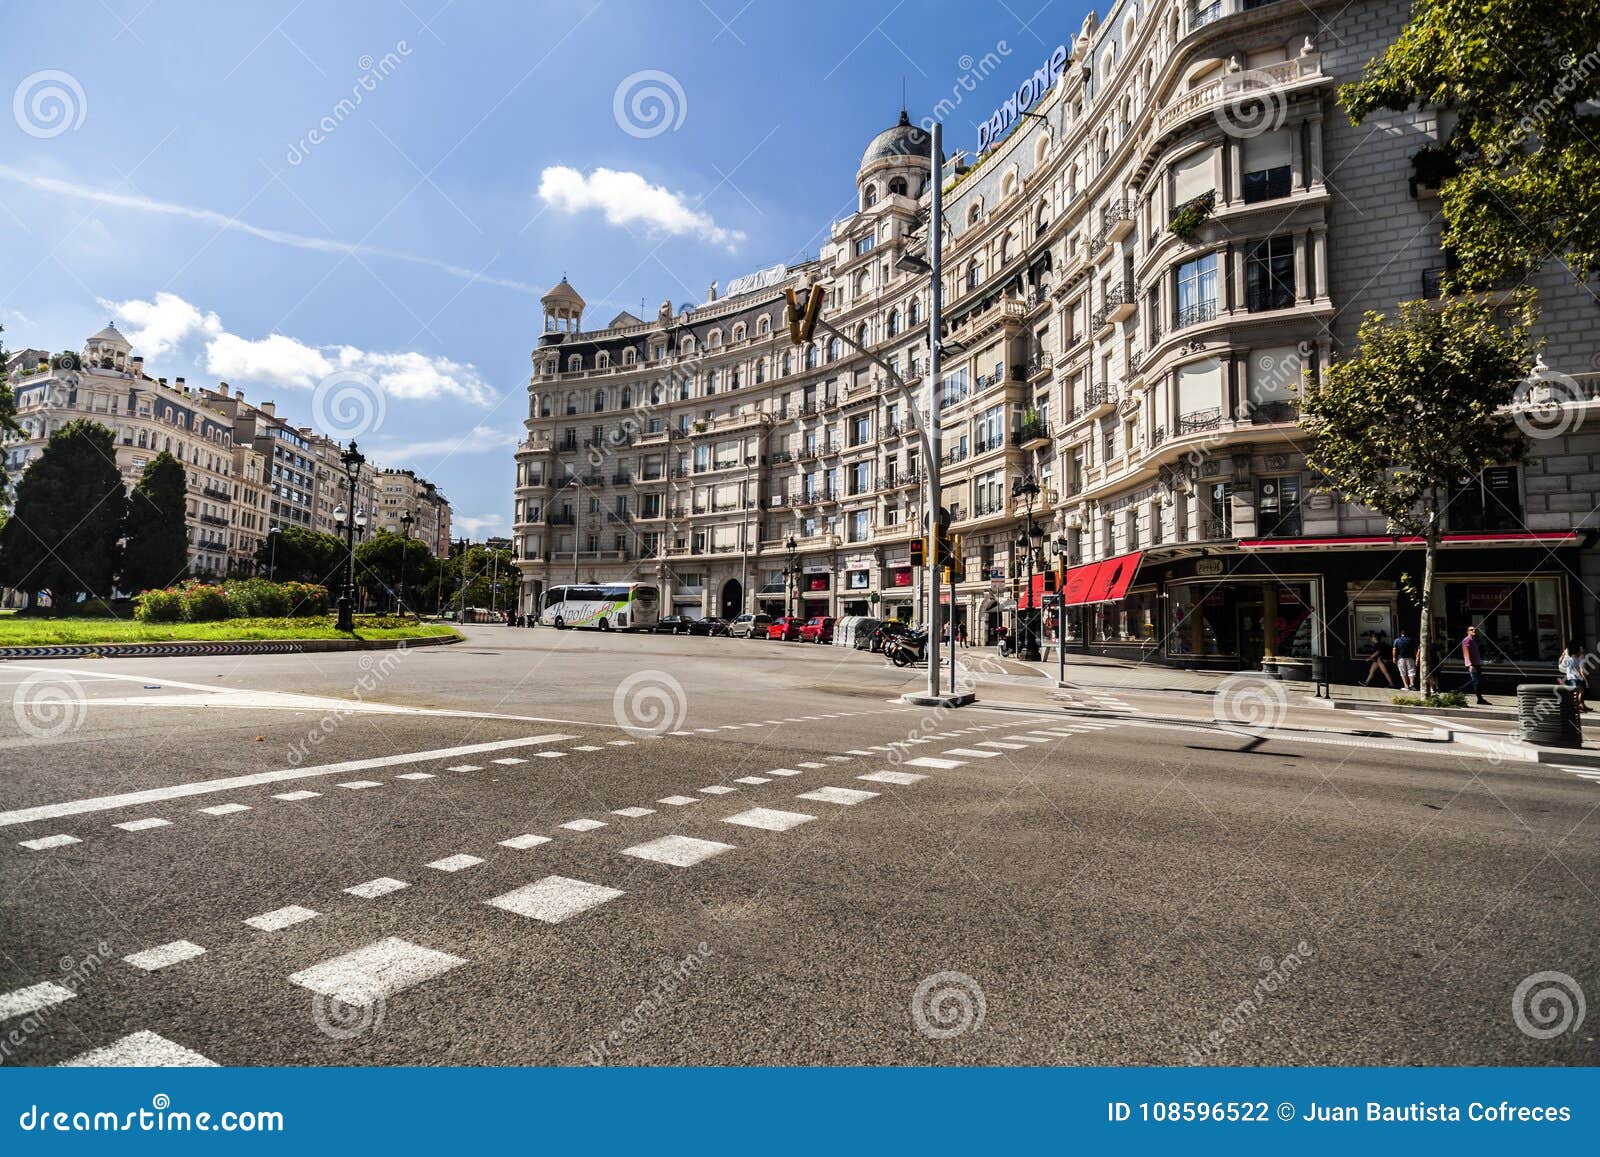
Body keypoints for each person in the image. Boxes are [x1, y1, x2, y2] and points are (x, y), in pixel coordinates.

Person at [1558, 639, 1590, 712]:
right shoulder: (1579, 659)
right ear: (1578, 651)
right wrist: (1586, 681)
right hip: (1577, 678)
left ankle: (1577, 706)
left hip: (1570, 678)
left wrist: (1560, 665)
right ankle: (1577, 706)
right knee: (1581, 691)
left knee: (1576, 692)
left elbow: (1560, 660)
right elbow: (1582, 671)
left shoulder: (1568, 659)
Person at [1462, 624, 1489, 704]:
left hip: (1476, 664)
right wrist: (1470, 665)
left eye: (1475, 629)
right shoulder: (1467, 640)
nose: (1474, 631)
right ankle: (1479, 699)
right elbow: (1466, 652)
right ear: (1467, 632)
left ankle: (1480, 699)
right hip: (1472, 665)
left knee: (1478, 682)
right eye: (1471, 630)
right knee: (1476, 682)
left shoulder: (1473, 640)